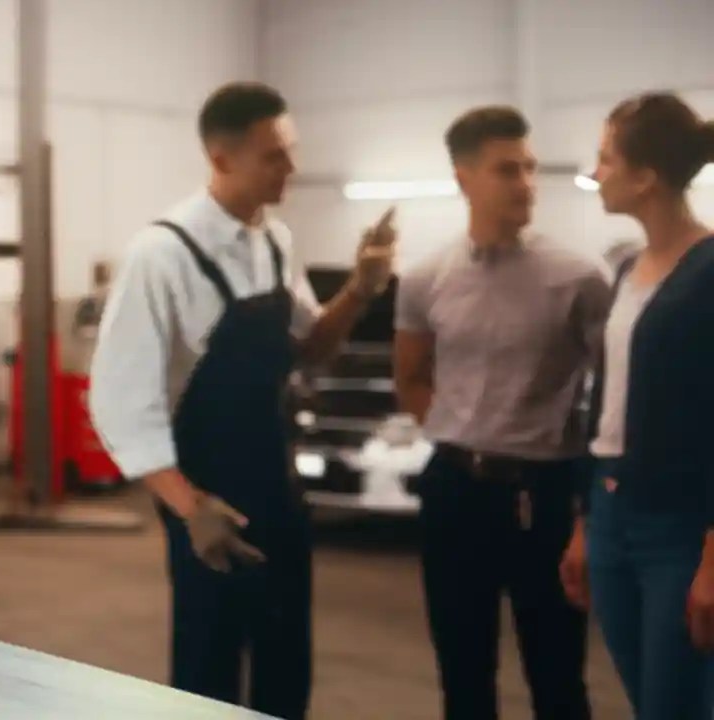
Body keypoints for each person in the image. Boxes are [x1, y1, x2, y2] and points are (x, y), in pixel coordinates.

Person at [87, 81, 395, 718]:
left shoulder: (275, 242)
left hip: (279, 490)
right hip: (207, 498)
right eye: (273, 156)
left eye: (291, 150)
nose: (292, 168)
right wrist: (190, 509)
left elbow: (309, 347)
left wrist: (362, 289)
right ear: (221, 159)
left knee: (287, 664)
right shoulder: (162, 255)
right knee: (209, 677)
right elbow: (121, 406)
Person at [392, 106, 610, 720]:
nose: (525, 184)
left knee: (558, 676)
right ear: (464, 178)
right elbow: (410, 375)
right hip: (456, 491)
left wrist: (587, 512)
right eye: (507, 170)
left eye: (530, 168)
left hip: (545, 494)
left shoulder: (578, 277)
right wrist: (460, 430)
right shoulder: (425, 276)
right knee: (463, 675)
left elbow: (615, 396)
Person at [558, 92, 714, 720]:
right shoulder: (627, 269)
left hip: (679, 526)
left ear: (646, 176)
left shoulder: (708, 273)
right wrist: (585, 523)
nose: (597, 173)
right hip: (610, 508)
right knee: (644, 694)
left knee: (674, 704)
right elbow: (608, 407)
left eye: (606, 158)